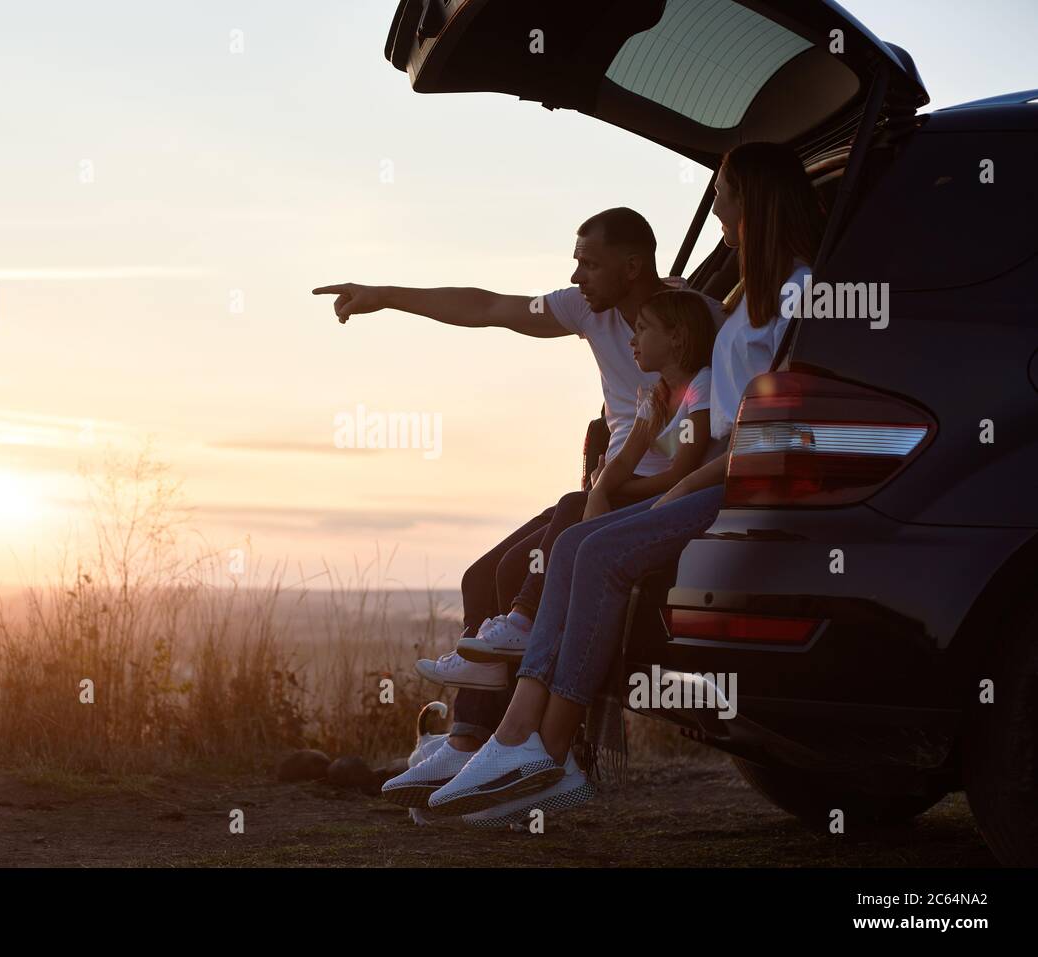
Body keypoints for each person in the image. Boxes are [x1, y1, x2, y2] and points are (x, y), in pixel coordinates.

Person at [416, 141, 827, 826]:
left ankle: (544, 749)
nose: (715, 202)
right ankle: (519, 739)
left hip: (739, 480)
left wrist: (678, 483)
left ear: (752, 201)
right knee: (577, 544)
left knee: (596, 550)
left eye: (724, 192)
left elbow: (777, 424)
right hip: (713, 473)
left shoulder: (797, 293)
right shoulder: (752, 300)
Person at [314, 210, 723, 771]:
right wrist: (384, 295)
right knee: (481, 577)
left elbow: (723, 415)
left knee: (526, 563)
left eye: (589, 262)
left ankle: (521, 743)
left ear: (632, 267)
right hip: (609, 484)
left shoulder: (696, 319)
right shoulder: (587, 310)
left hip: (643, 493)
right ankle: (464, 745)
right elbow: (487, 306)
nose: (576, 275)